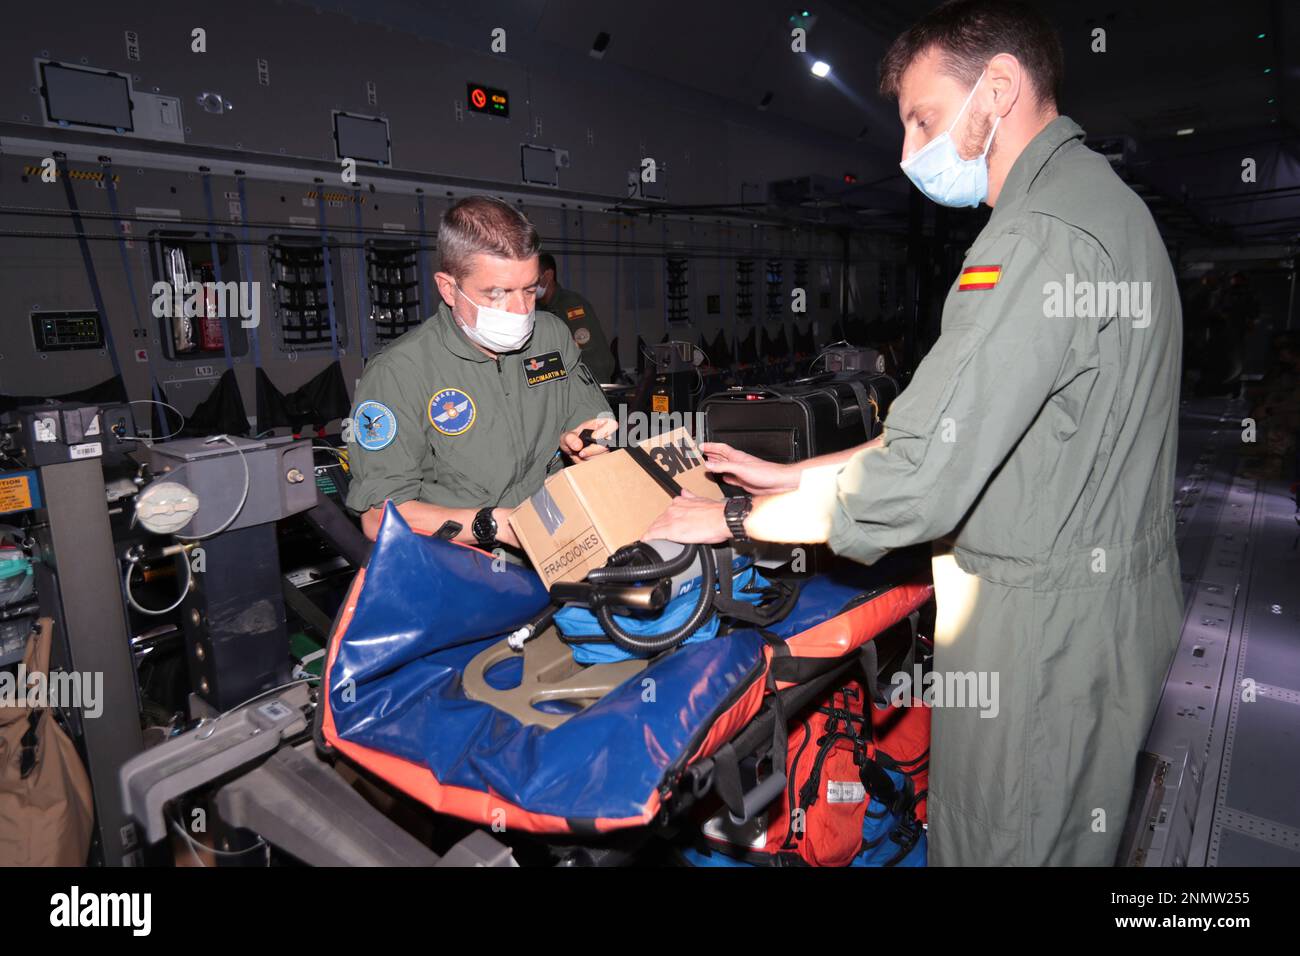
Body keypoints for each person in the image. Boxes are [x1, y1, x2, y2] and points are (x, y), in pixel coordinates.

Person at [646, 0, 1183, 866]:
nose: (906, 154)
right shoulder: (1104, 209)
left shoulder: (1034, 241)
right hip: (1104, 612)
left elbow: (924, 474)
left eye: (923, 120)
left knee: (995, 844)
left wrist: (731, 523)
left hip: (1037, 635)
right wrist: (799, 475)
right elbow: (967, 427)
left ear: (998, 89)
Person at [345, 196, 614, 547]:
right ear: (448, 288)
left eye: (529, 290)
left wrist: (593, 439)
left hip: (559, 538)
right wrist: (492, 525)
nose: (520, 310)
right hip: (465, 563)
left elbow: (589, 415)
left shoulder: (551, 335)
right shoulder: (400, 372)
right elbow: (379, 517)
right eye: (497, 294)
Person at [536, 253, 616, 383]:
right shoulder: (538, 310)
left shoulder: (571, 306)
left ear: (548, 276)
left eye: (532, 277)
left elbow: (593, 357)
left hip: (586, 387)